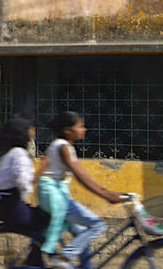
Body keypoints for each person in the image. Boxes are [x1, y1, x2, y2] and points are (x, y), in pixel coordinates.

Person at [36, 111, 127, 269]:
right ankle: (64, 257)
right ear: (67, 130)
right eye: (80, 126)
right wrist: (105, 194)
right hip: (55, 197)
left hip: (55, 194)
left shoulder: (63, 145)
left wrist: (107, 192)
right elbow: (80, 175)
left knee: (81, 232)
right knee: (97, 225)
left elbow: (80, 174)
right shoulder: (63, 147)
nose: (83, 129)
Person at [0, 115, 47, 266]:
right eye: (31, 130)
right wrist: (42, 169)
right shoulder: (18, 154)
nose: (33, 133)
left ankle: (35, 260)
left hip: (0, 204)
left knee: (40, 222)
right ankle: (34, 261)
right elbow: (24, 182)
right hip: (14, 207)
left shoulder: (1, 154)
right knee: (45, 221)